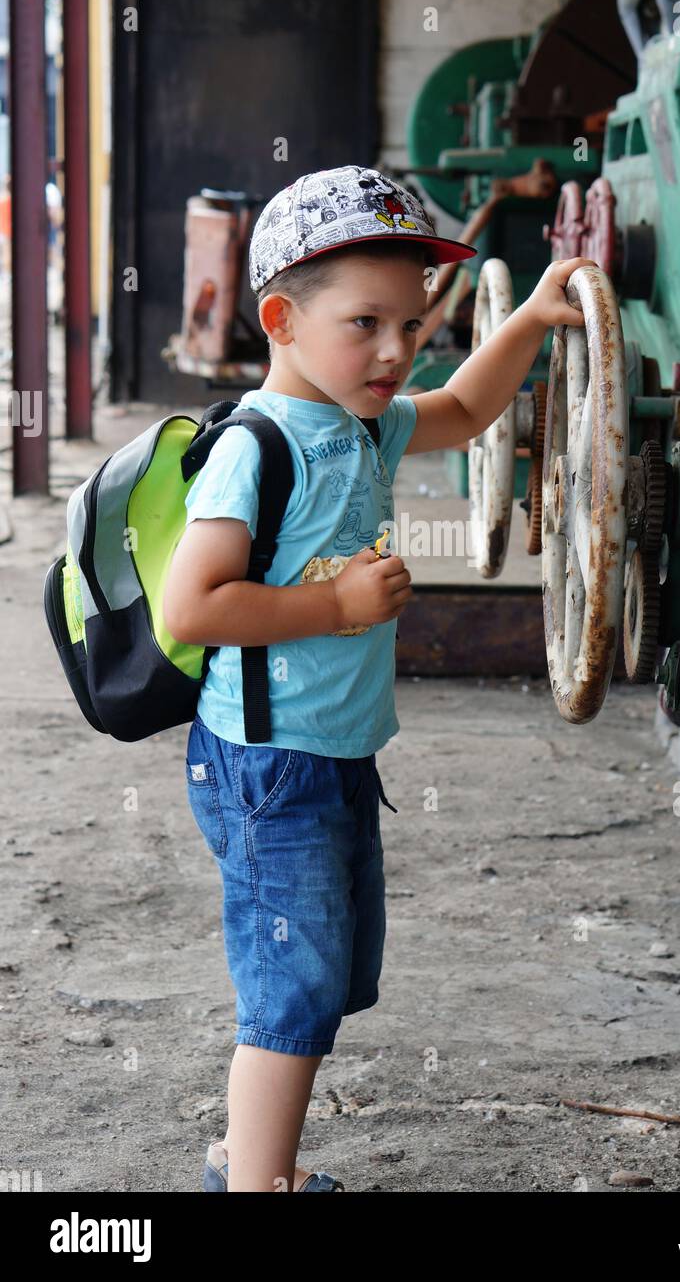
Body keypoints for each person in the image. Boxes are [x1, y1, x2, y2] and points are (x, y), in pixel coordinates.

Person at [163, 162, 591, 1192]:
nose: (396, 350)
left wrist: (528, 318)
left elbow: (462, 409)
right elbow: (192, 607)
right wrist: (335, 607)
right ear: (281, 320)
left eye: (410, 323)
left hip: (334, 757)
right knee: (294, 993)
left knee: (324, 974)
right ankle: (258, 1185)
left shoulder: (360, 421)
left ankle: (245, 1155)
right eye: (365, 324)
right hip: (270, 767)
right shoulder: (258, 449)